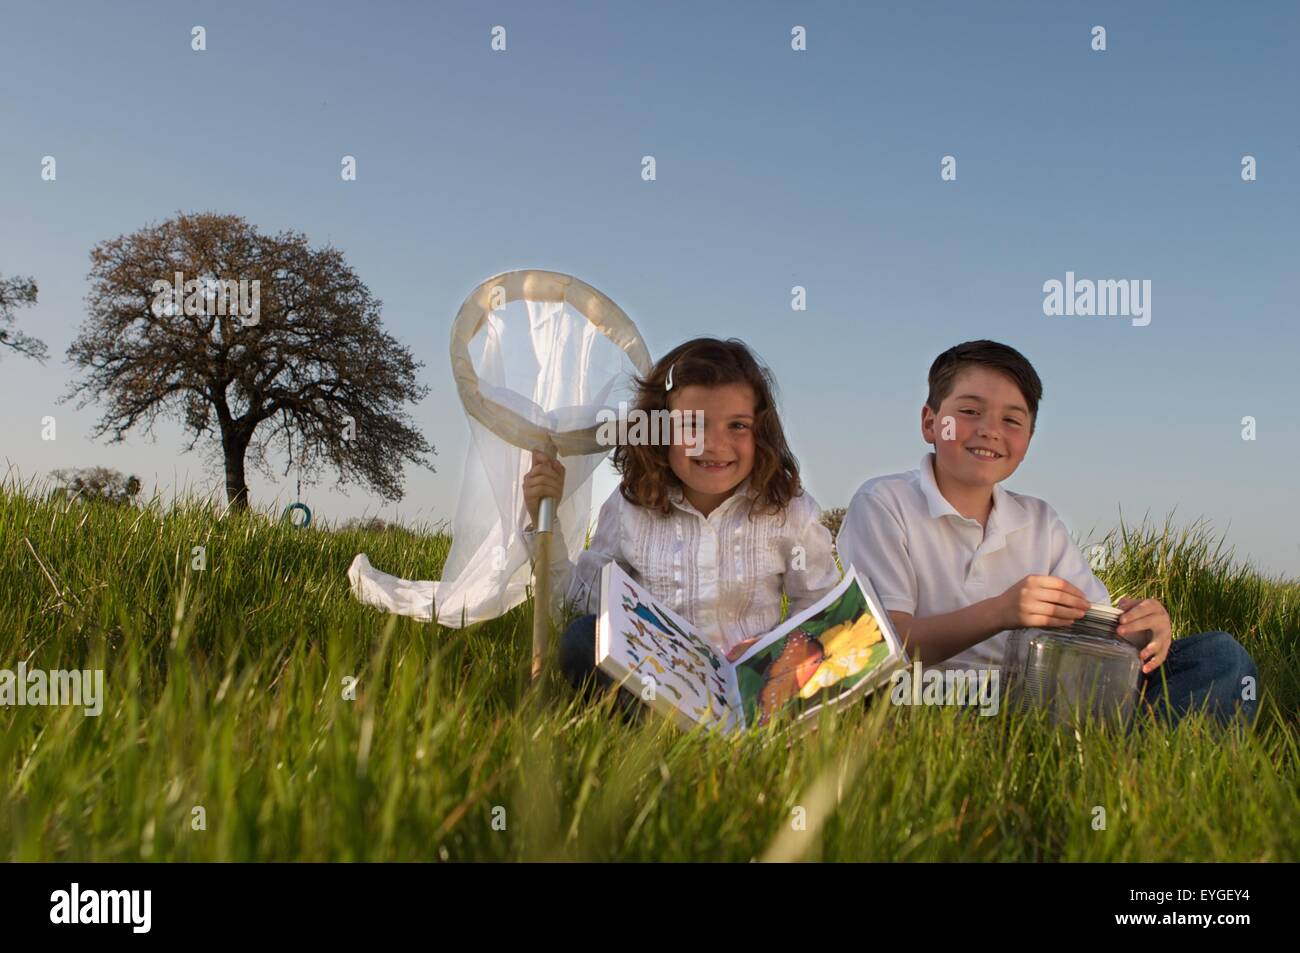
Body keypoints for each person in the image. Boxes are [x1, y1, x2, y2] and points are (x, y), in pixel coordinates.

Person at [836, 339, 1258, 726]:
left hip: (1040, 688)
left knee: (1218, 656)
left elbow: (1096, 633)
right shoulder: (883, 502)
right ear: (931, 422)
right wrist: (1001, 611)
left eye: (1012, 420)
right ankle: (1117, 750)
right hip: (937, 694)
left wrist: (1142, 632)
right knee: (896, 697)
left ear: (1029, 440)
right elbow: (883, 644)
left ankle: (1118, 752)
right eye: (969, 411)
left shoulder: (1039, 520)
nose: (990, 429)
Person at [522, 337, 840, 708]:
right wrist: (544, 520)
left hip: (759, 679)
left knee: (847, 665)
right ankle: (657, 723)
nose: (715, 445)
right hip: (659, 683)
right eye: (692, 425)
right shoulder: (631, 508)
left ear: (761, 432)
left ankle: (751, 724)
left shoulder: (788, 509)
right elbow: (579, 603)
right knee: (582, 639)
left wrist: (777, 648)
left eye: (737, 425)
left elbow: (821, 605)